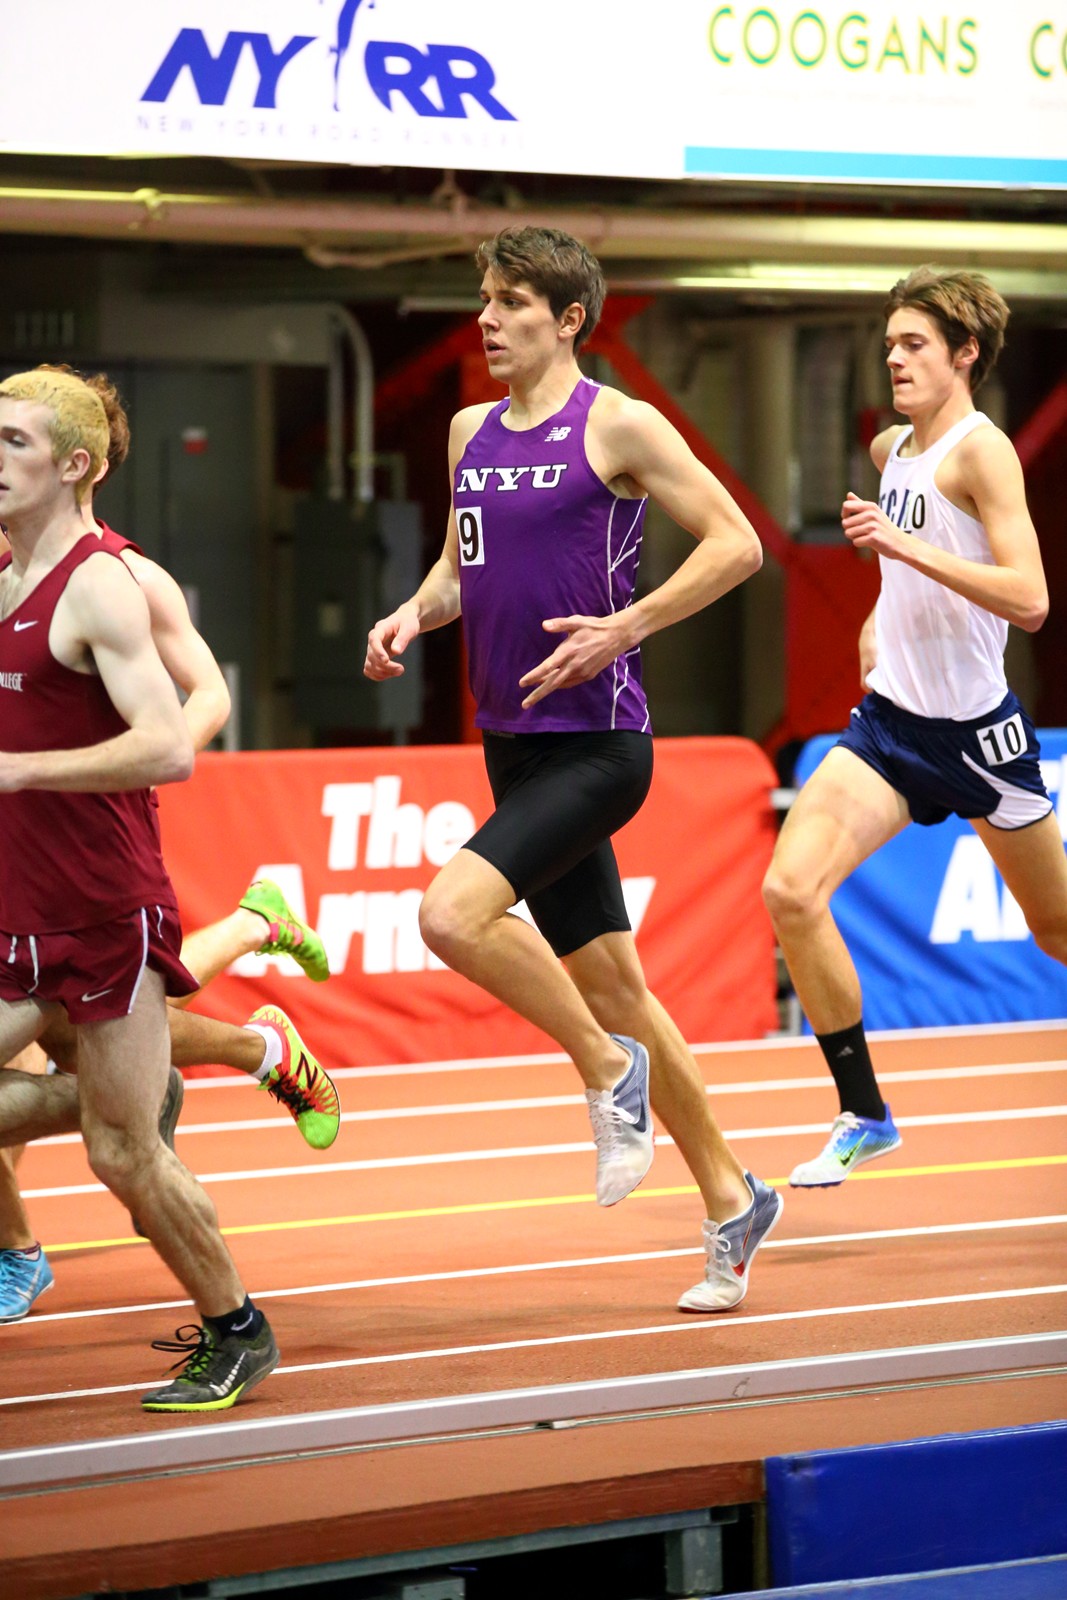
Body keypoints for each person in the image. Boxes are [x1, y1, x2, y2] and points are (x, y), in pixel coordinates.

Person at [365, 226, 781, 1313]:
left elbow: (735, 541)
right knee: (622, 988)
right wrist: (410, 614)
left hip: (598, 746)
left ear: (566, 320)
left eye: (510, 302)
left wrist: (622, 627)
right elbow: (465, 562)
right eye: (484, 299)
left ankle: (603, 1073)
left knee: (451, 915)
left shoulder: (619, 424)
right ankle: (732, 1199)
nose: (488, 320)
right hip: (510, 743)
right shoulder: (468, 428)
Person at [0, 368, 339, 1325]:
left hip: (101, 858)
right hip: (27, 877)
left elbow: (199, 707)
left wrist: (78, 768)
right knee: (102, 1085)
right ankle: (227, 1019)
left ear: (81, 464)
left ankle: (232, 1017)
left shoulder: (120, 577)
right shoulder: (10, 571)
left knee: (118, 1105)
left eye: (13, 442)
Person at [763, 265, 1066, 1187]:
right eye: (887, 343)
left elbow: (1031, 601)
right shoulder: (890, 446)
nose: (891, 359)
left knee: (1056, 929)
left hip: (977, 741)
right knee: (789, 892)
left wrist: (903, 548)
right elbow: (909, 579)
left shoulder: (983, 452)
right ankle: (863, 1111)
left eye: (913, 345)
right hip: (890, 728)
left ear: (964, 354)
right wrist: (876, 615)